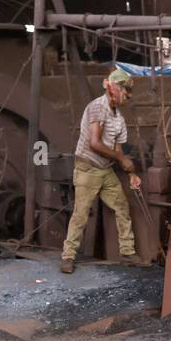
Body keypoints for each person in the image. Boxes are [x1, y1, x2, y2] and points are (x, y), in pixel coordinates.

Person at [61, 67, 146, 274]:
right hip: (88, 168)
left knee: (122, 208)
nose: (127, 96)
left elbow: (118, 149)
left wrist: (131, 173)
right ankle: (68, 257)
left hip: (105, 170)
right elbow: (94, 144)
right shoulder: (97, 107)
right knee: (80, 214)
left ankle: (127, 252)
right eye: (125, 91)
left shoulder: (119, 119)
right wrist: (121, 159)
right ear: (113, 88)